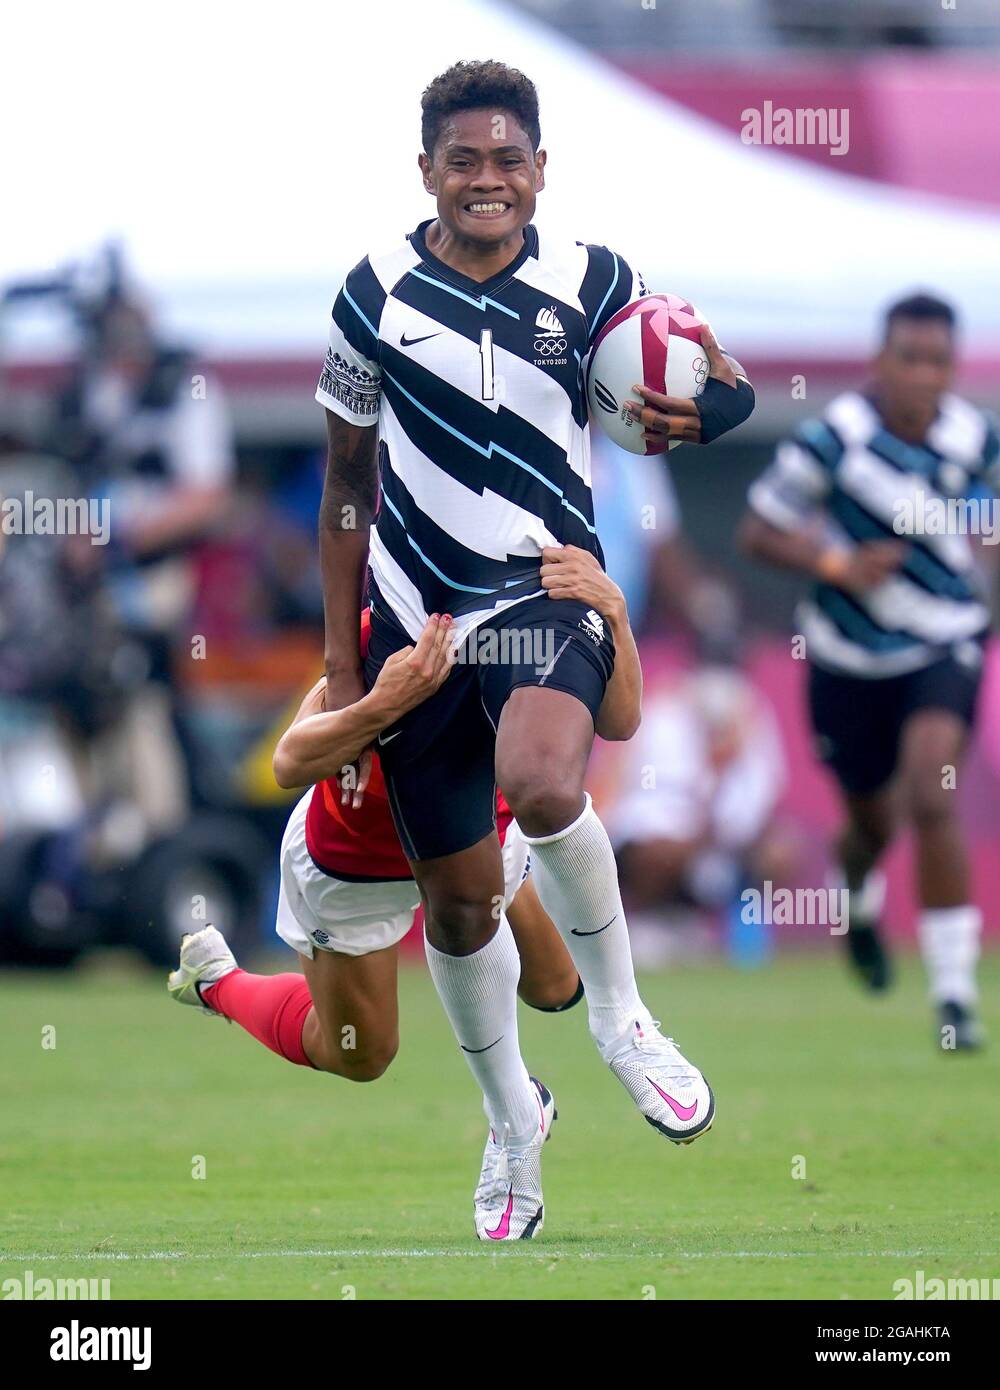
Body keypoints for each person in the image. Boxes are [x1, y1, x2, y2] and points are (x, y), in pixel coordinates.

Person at [316, 60, 754, 1237]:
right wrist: (345, 675)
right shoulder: (371, 295)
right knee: (458, 910)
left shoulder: (598, 281)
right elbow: (345, 490)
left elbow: (722, 380)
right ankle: (514, 1119)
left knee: (545, 780)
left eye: (510, 160)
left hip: (546, 590)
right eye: (465, 160)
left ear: (541, 171)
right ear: (427, 172)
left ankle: (620, 1020)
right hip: (419, 631)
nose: (488, 179)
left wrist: (699, 413)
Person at [168, 553, 642, 1237]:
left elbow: (619, 720)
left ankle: (505, 909)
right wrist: (379, 706)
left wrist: (616, 617)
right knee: (361, 1052)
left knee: (557, 986)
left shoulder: (528, 632)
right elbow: (288, 763)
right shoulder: (373, 641)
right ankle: (219, 982)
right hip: (357, 863)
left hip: (475, 844)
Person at [739, 292, 998, 1050]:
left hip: (944, 643)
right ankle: (856, 895)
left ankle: (955, 994)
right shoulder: (832, 441)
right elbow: (759, 530)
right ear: (881, 362)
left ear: (954, 368)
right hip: (847, 657)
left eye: (938, 361)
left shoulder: (973, 437)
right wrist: (836, 563)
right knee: (869, 823)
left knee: (930, 792)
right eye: (909, 358)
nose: (923, 375)